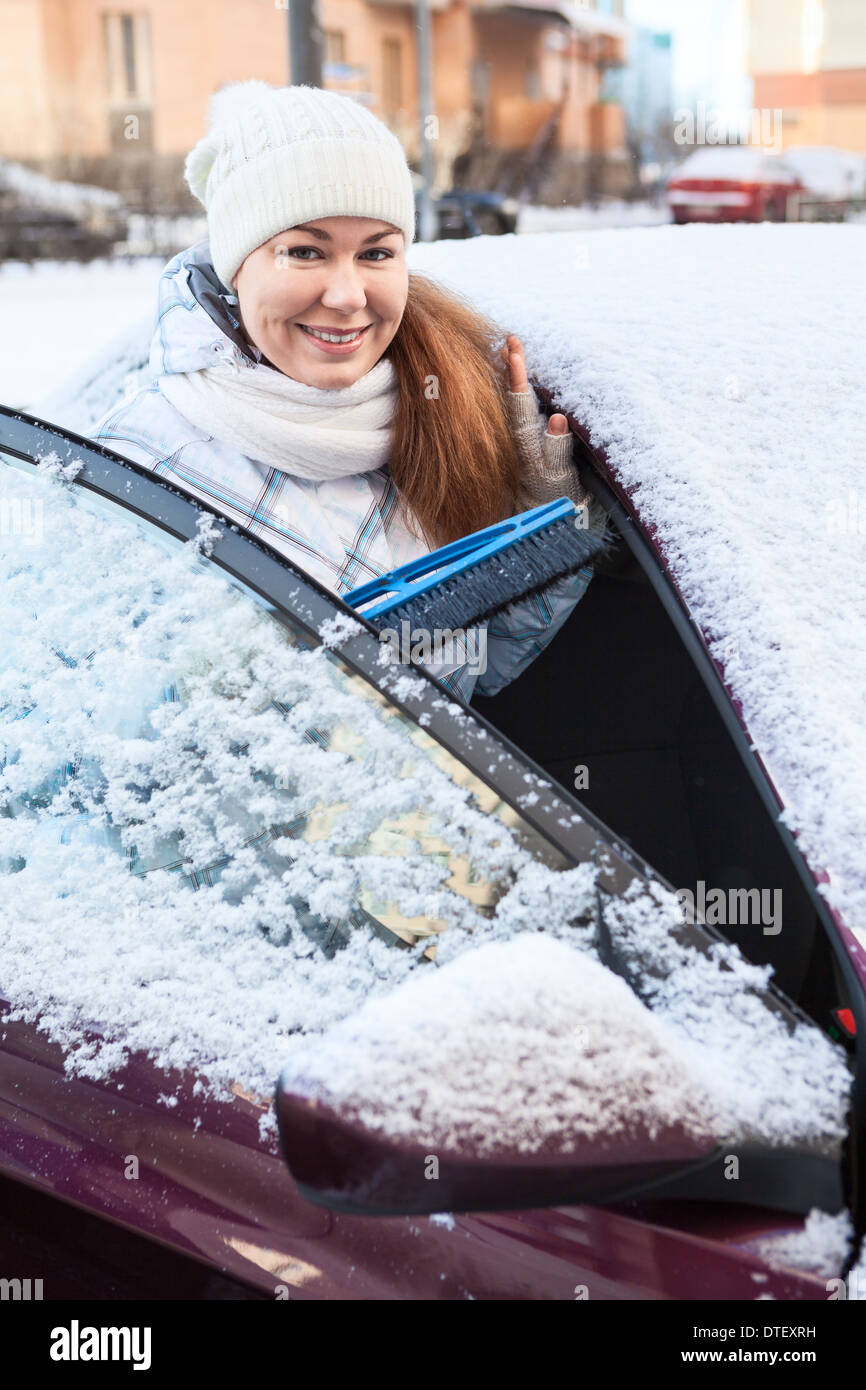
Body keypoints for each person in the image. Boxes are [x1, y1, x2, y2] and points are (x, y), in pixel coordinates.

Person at [92, 80, 601, 701]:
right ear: (235, 263)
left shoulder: (437, 412)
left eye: (376, 254)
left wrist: (538, 513)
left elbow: (481, 671)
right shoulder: (135, 469)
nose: (348, 295)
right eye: (305, 251)